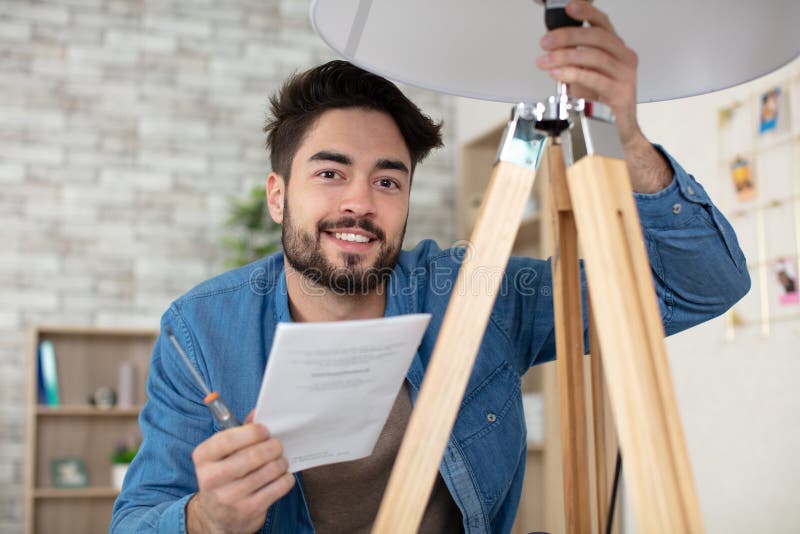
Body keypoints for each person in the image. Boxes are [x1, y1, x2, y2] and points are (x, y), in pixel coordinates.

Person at [111, 1, 750, 532]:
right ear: (278, 194)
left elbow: (702, 283)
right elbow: (136, 517)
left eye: (388, 181)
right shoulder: (200, 330)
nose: (359, 202)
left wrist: (626, 137)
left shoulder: (475, 290)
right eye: (330, 173)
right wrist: (204, 517)